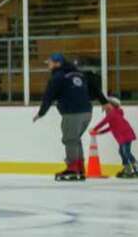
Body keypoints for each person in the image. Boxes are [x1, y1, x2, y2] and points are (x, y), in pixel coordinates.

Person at [35, 53, 99, 181]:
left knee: (70, 139)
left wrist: (41, 113)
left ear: (58, 63)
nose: (48, 65)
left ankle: (72, 169)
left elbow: (48, 96)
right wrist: (104, 101)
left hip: (73, 113)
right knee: (75, 139)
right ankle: (80, 168)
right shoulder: (78, 74)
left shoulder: (58, 77)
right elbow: (93, 88)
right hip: (87, 111)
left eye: (50, 62)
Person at [91, 101, 138, 178]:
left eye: (105, 106)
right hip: (123, 136)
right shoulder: (114, 114)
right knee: (123, 152)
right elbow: (110, 127)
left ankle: (136, 168)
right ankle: (128, 169)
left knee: (125, 152)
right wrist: (99, 132)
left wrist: (94, 129)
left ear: (111, 106)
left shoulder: (113, 113)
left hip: (125, 135)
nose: (104, 108)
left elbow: (104, 122)